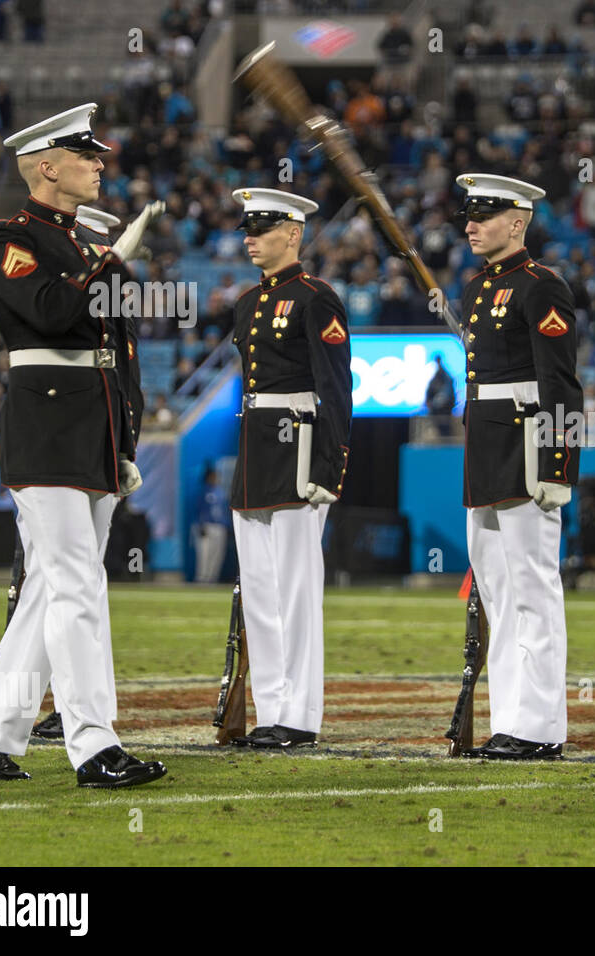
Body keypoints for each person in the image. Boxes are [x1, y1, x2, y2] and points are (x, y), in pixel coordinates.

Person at [0, 103, 166, 788]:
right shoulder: (5, 238)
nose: (100, 164)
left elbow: (121, 353)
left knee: (54, 586)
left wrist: (127, 440)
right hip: (46, 426)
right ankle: (94, 745)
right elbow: (47, 312)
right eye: (86, 155)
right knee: (78, 583)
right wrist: (108, 266)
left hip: (96, 425)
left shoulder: (82, 247)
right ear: (47, 167)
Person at [455, 173, 583, 760]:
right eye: (469, 213)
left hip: (527, 444)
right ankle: (511, 720)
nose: (471, 223)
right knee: (498, 594)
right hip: (484, 445)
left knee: (533, 589)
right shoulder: (476, 287)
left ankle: (539, 726)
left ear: (518, 221)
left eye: (485, 213)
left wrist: (559, 462)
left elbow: (561, 382)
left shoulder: (541, 287)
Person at [227, 188, 352, 750]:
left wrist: (329, 467)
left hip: (298, 444)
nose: (250, 236)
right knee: (259, 588)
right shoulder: (248, 303)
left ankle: (298, 716)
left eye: (263, 227)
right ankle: (271, 710)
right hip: (255, 447)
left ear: (294, 233)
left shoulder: (317, 298)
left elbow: (335, 389)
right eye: (248, 228)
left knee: (296, 590)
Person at [31, 203, 139, 742]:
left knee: (73, 582)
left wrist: (127, 445)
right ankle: (54, 706)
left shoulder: (112, 295)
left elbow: (126, 367)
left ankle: (82, 706)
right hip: (55, 437)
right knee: (54, 584)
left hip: (98, 440)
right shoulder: (51, 278)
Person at [194, 466, 230, 583]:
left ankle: (212, 579)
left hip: (220, 526)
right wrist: (200, 525)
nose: (216, 478)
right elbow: (199, 510)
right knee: (204, 555)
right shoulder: (203, 491)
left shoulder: (221, 492)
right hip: (207, 526)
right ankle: (201, 579)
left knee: (217, 555)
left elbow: (225, 511)